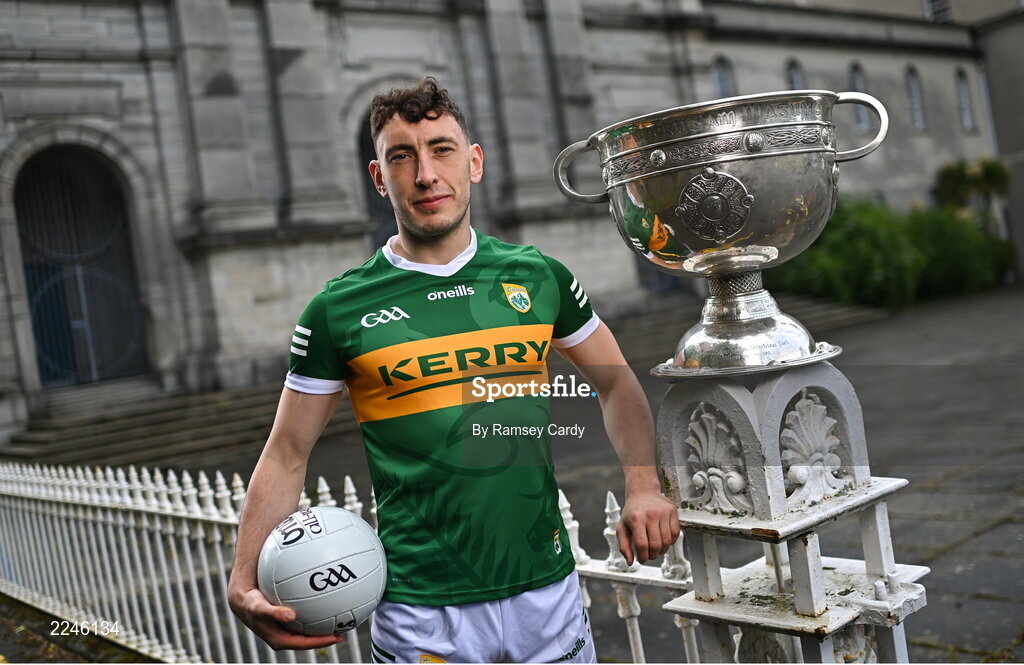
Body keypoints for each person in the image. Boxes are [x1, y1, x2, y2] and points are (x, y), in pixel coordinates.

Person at [227, 77, 679, 663]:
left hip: (545, 593)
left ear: (474, 162)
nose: (425, 175)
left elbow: (616, 380)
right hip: (420, 612)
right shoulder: (339, 307)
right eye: (402, 156)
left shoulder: (537, 275)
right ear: (378, 178)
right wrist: (243, 579)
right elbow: (287, 450)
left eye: (441, 149)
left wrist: (644, 486)